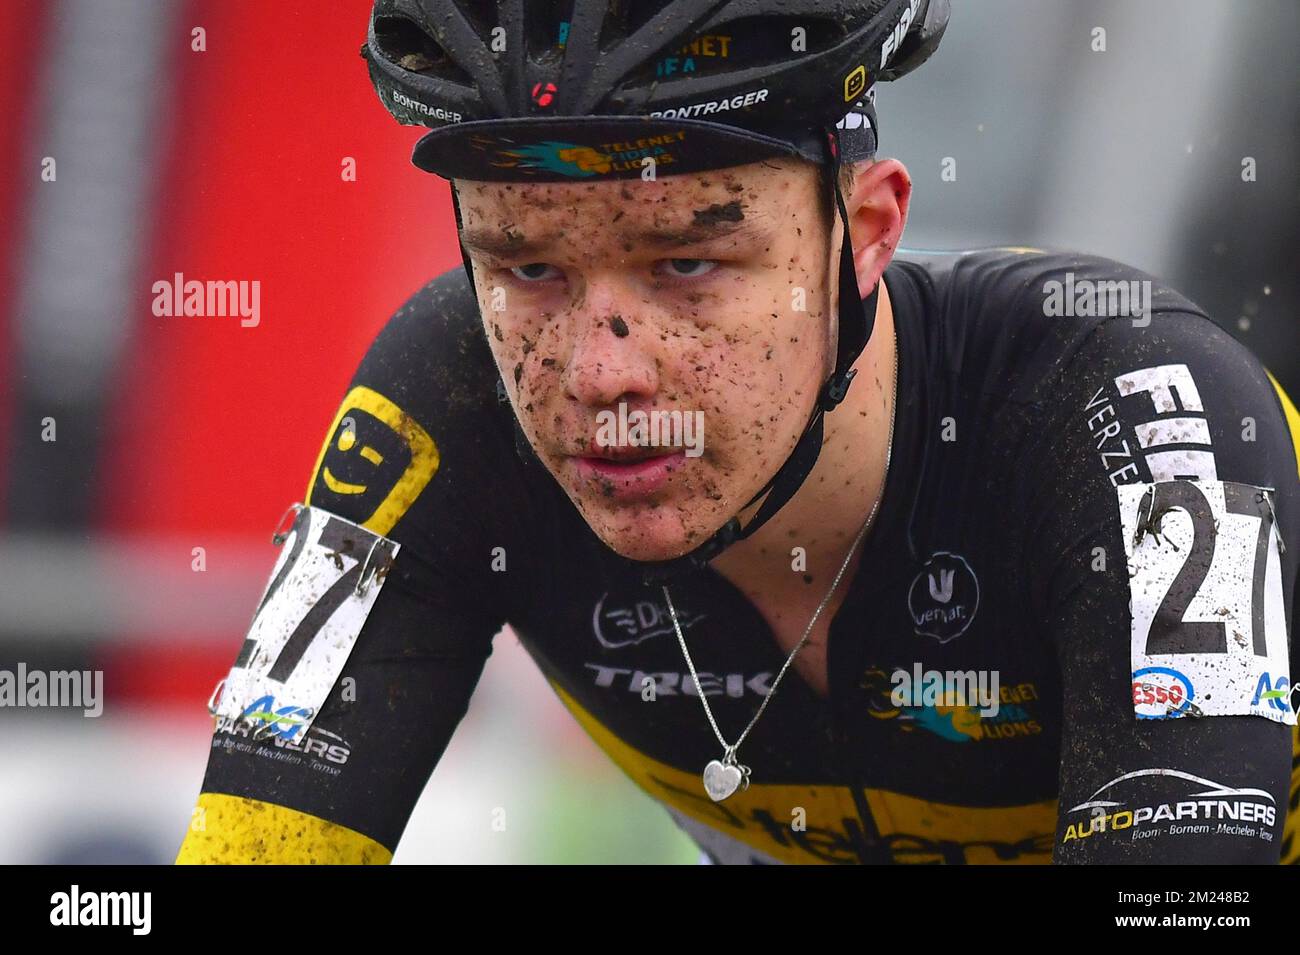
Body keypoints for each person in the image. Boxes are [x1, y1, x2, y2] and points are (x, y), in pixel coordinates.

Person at [176, 0, 1300, 865]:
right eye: (527, 267)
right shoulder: (448, 401)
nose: (602, 372)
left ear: (865, 232)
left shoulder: (1134, 409)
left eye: (688, 264)